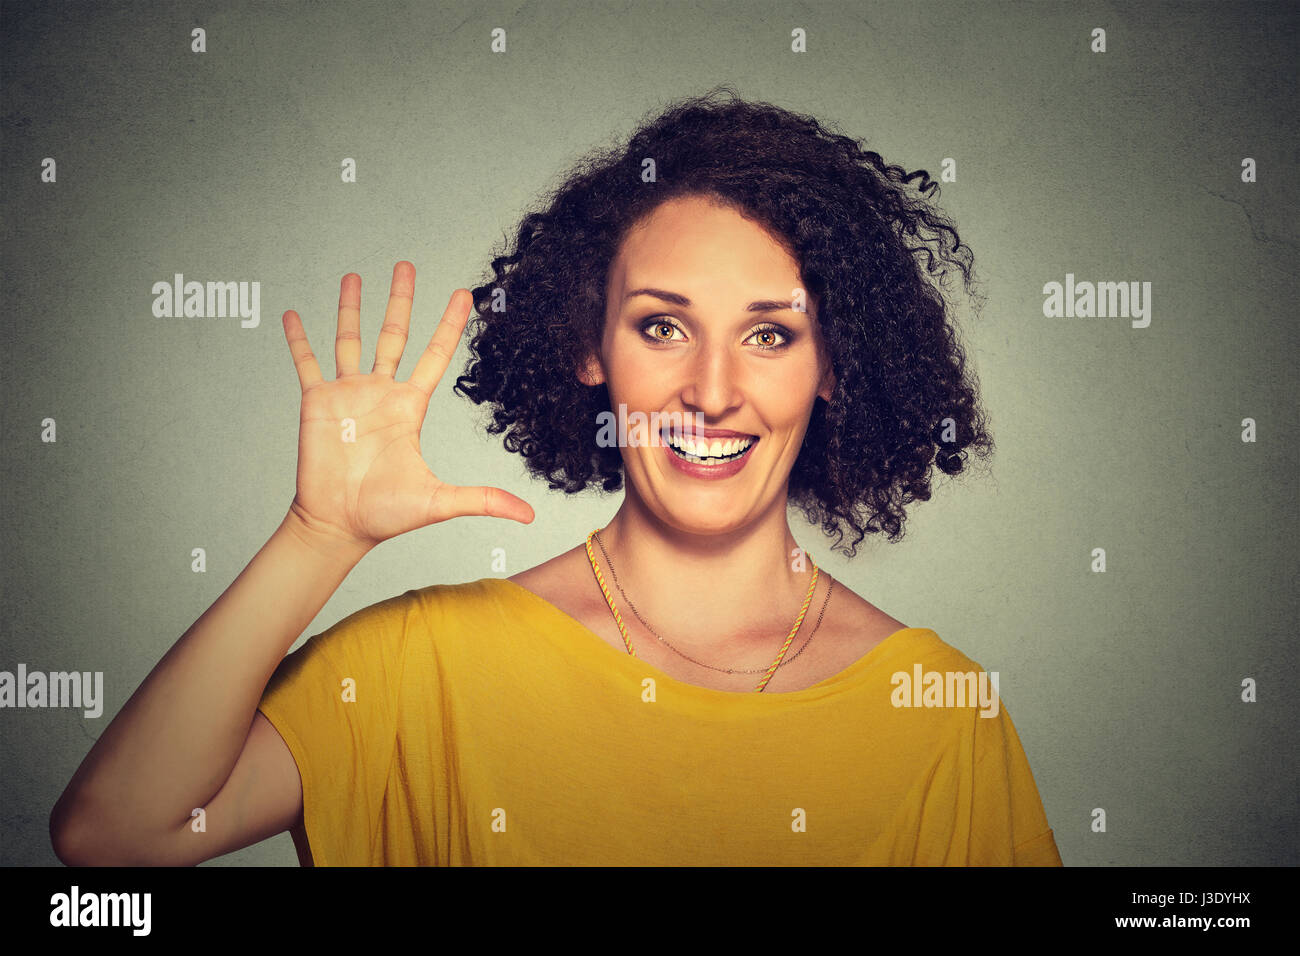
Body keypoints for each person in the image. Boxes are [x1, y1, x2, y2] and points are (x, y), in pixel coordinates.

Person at [49, 89, 1061, 866]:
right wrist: (319, 534)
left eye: (768, 333)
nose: (711, 391)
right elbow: (111, 837)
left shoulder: (940, 713)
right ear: (590, 347)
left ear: (832, 364)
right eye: (661, 325)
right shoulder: (421, 663)